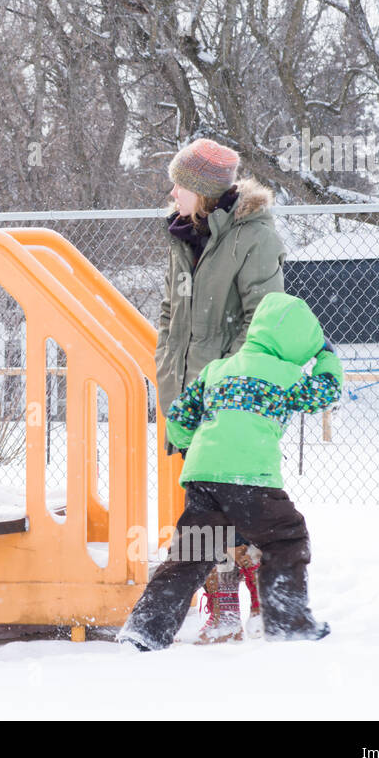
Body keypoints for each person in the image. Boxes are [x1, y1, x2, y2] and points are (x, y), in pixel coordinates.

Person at [118, 292, 342, 651]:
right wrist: (326, 356)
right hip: (251, 479)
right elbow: (326, 393)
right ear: (296, 344)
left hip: (203, 476)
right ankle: (287, 621)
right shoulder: (287, 375)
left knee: (191, 555)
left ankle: (145, 630)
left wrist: (197, 443)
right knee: (285, 537)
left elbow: (178, 418)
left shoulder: (218, 369)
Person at [155, 137, 285, 642]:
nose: (172, 192)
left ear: (205, 192)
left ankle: (254, 606)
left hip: (230, 398)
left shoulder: (253, 238)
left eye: (180, 185)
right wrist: (168, 364)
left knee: (233, 504)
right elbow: (171, 309)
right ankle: (229, 609)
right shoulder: (182, 234)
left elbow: (263, 318)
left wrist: (226, 378)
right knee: (204, 505)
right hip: (187, 394)